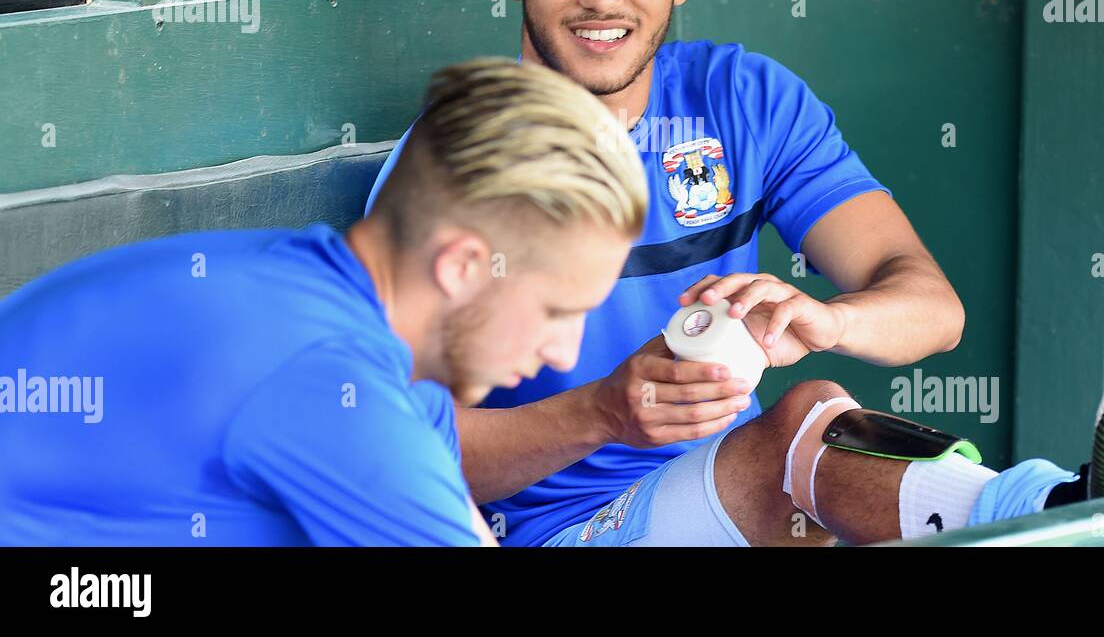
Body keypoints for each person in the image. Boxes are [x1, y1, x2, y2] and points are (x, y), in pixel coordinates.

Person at [365, 0, 1104, 547]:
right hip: (551, 530)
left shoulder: (744, 100)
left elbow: (931, 308)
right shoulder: (452, 164)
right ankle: (1051, 513)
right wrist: (606, 413)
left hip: (745, 494)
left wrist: (829, 321)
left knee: (807, 426)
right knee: (795, 437)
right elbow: (388, 451)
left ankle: (1064, 512)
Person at [0, 58, 648, 546]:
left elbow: (436, 469)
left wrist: (609, 410)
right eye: (558, 312)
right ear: (462, 266)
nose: (565, 349)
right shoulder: (325, 376)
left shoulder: (300, 291)